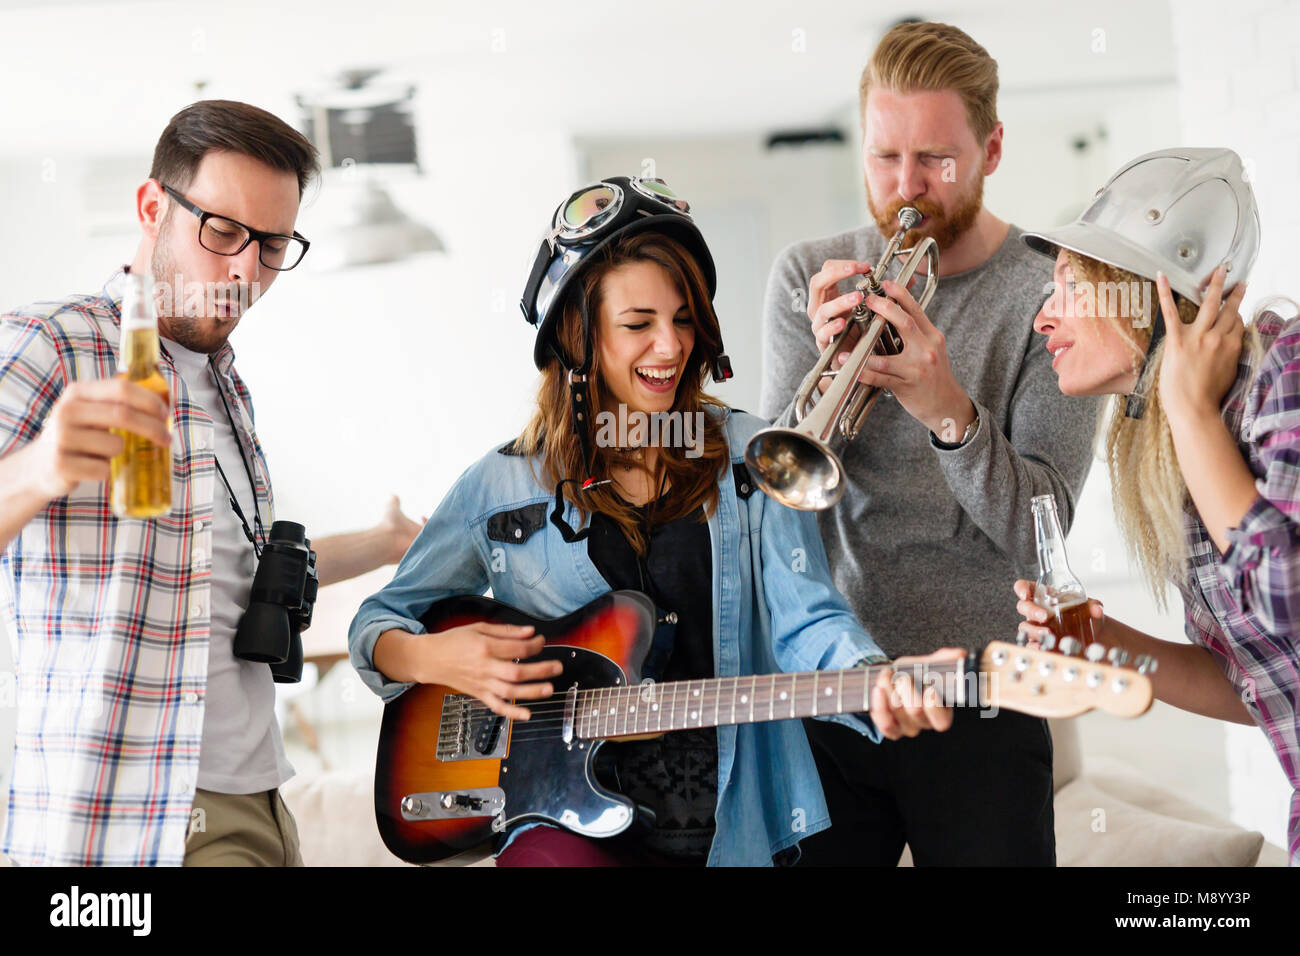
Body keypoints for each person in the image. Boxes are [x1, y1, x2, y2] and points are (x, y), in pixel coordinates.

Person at [349, 175, 964, 867]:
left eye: (681, 319)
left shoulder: (752, 455)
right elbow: (378, 622)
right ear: (579, 336)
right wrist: (433, 655)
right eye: (638, 325)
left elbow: (808, 620)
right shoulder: (499, 482)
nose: (670, 347)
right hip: (556, 825)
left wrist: (872, 676)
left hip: (727, 829)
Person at [0, 100, 423, 866]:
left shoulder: (228, 388)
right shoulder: (50, 344)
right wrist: (40, 467)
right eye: (222, 233)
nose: (243, 271)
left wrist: (384, 542)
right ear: (151, 206)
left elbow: (229, 575)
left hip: (258, 793)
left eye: (272, 246)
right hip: (135, 815)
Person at [758, 21, 1100, 865]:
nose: (907, 187)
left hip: (985, 694)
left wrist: (948, 409)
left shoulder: (1046, 290)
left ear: (990, 147)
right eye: (884, 158)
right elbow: (775, 509)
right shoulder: (812, 275)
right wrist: (827, 360)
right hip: (833, 693)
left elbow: (1039, 533)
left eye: (937, 160)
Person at [1014, 146, 1300, 866]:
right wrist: (1104, 645)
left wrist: (1190, 412)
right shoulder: (1174, 445)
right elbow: (1258, 684)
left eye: (1070, 286)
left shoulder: (1285, 375)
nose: (1043, 319)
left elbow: (1289, 597)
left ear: (1149, 291)